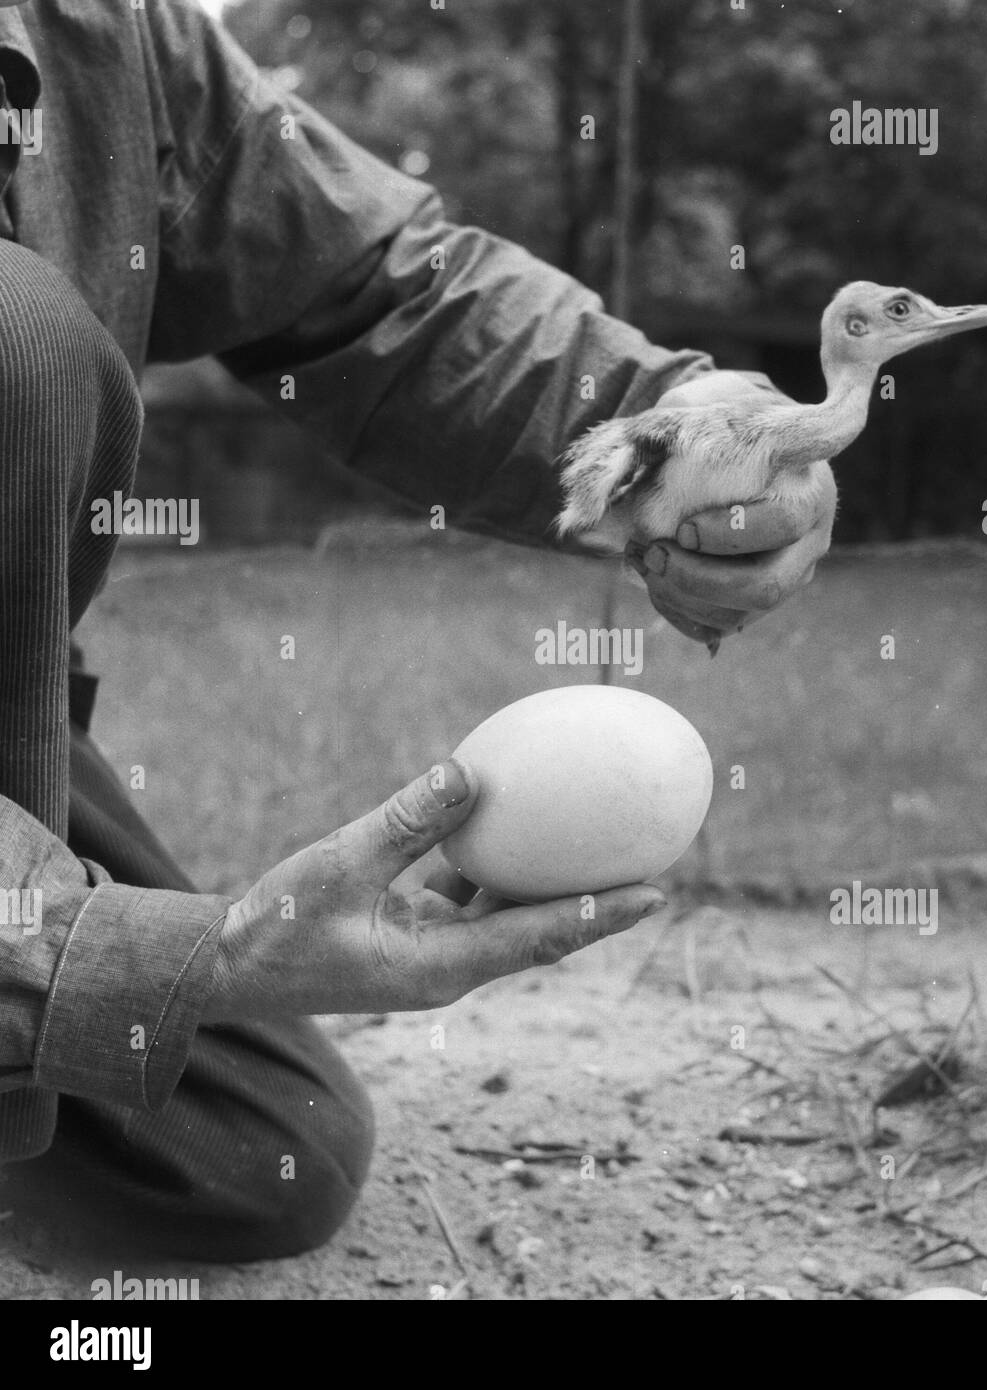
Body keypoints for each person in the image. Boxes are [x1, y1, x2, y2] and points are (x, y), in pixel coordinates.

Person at [0, 0, 836, 1261]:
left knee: (260, 1148)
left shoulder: (100, 36)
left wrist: (669, 431)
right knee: (20, 345)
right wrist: (159, 957)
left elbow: (383, 287)